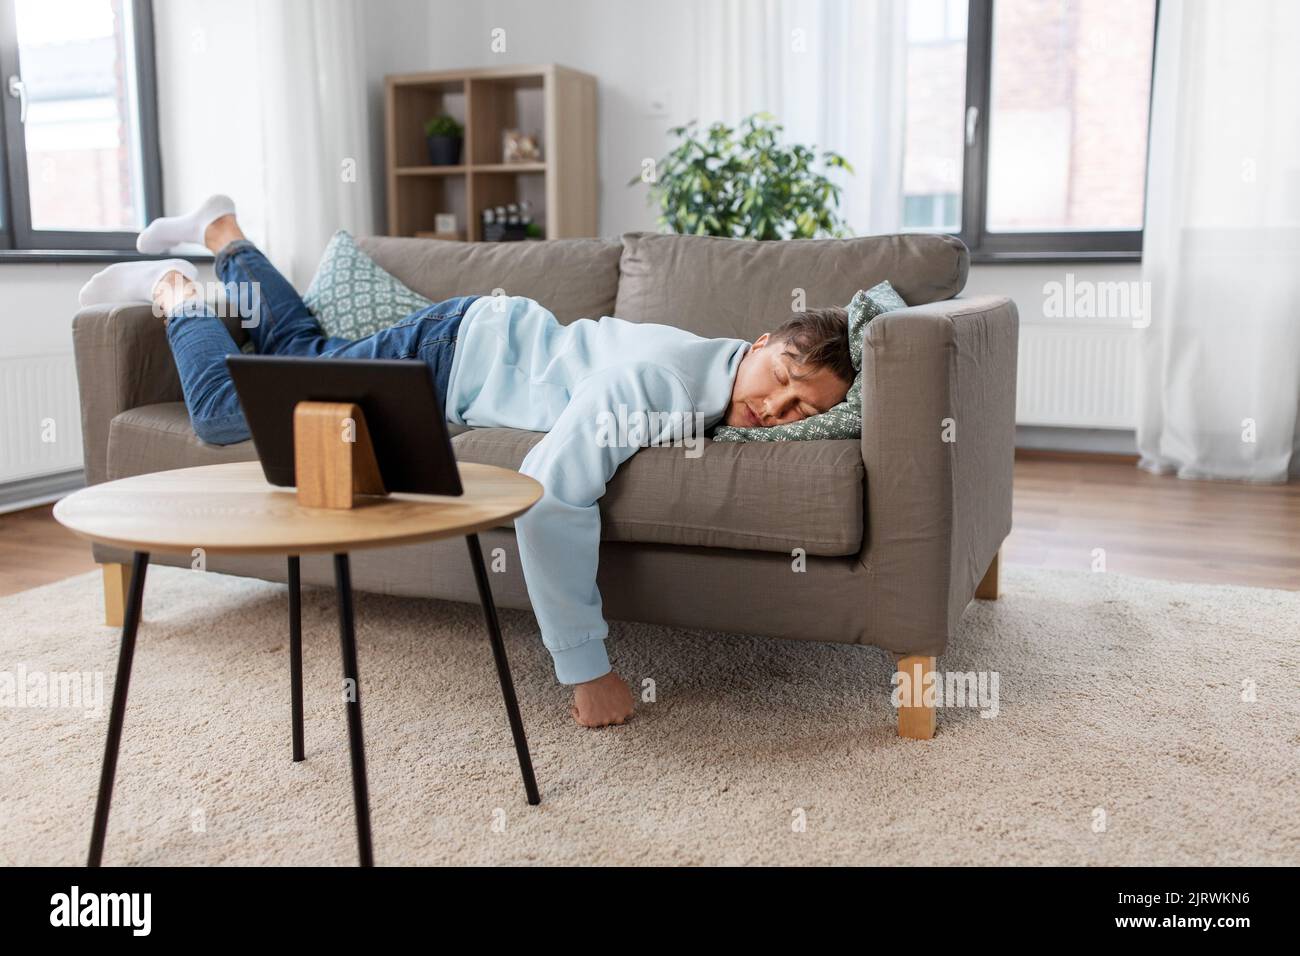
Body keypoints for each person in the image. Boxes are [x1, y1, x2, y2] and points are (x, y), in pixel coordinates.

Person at [79, 195, 854, 729]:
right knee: (224, 416)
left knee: (302, 354)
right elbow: (552, 495)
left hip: (468, 341)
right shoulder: (664, 383)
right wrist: (585, 669)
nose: (779, 410)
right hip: (448, 356)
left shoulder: (718, 385)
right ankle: (179, 291)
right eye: (782, 378)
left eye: (804, 411)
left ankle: (224, 233)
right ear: (759, 343)